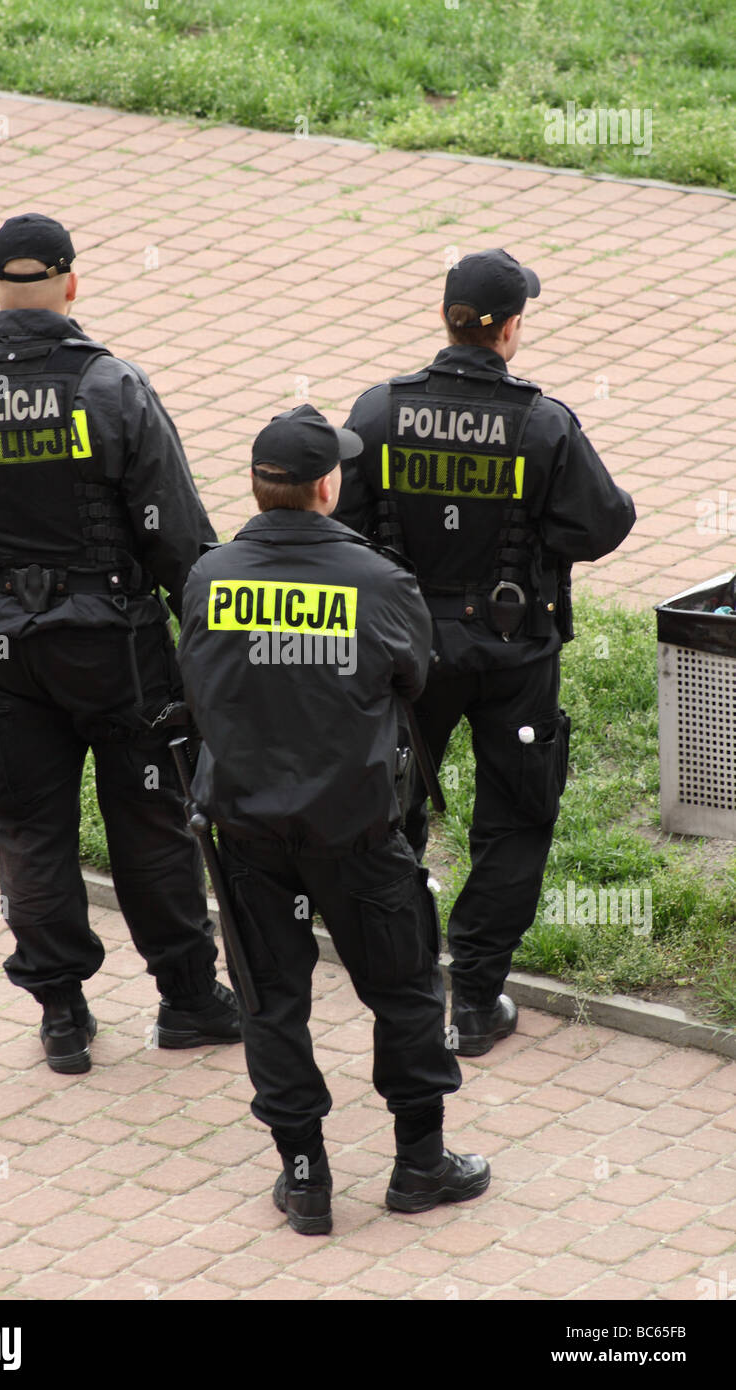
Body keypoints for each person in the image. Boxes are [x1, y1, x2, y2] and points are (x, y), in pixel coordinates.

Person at [0, 213, 240, 1073]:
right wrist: (202, 642)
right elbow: (179, 534)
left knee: (29, 830)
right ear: (72, 285)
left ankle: (63, 1014)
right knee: (152, 824)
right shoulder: (112, 386)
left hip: (8, 654)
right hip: (120, 653)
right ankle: (190, 1001)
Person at [177, 404, 490, 1235]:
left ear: (257, 486)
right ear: (326, 486)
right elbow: (412, 680)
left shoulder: (210, 577)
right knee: (406, 991)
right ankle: (421, 1165)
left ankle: (305, 1176)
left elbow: (199, 684)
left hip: (244, 834)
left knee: (271, 1001)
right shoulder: (379, 581)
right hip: (355, 834)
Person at [333, 249, 636, 1058]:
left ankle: (406, 983)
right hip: (514, 654)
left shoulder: (377, 411)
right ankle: (474, 999)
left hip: (406, 657)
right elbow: (603, 524)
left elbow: (341, 524)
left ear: (446, 318)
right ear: (507, 328)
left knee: (395, 818)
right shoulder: (542, 421)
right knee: (514, 820)